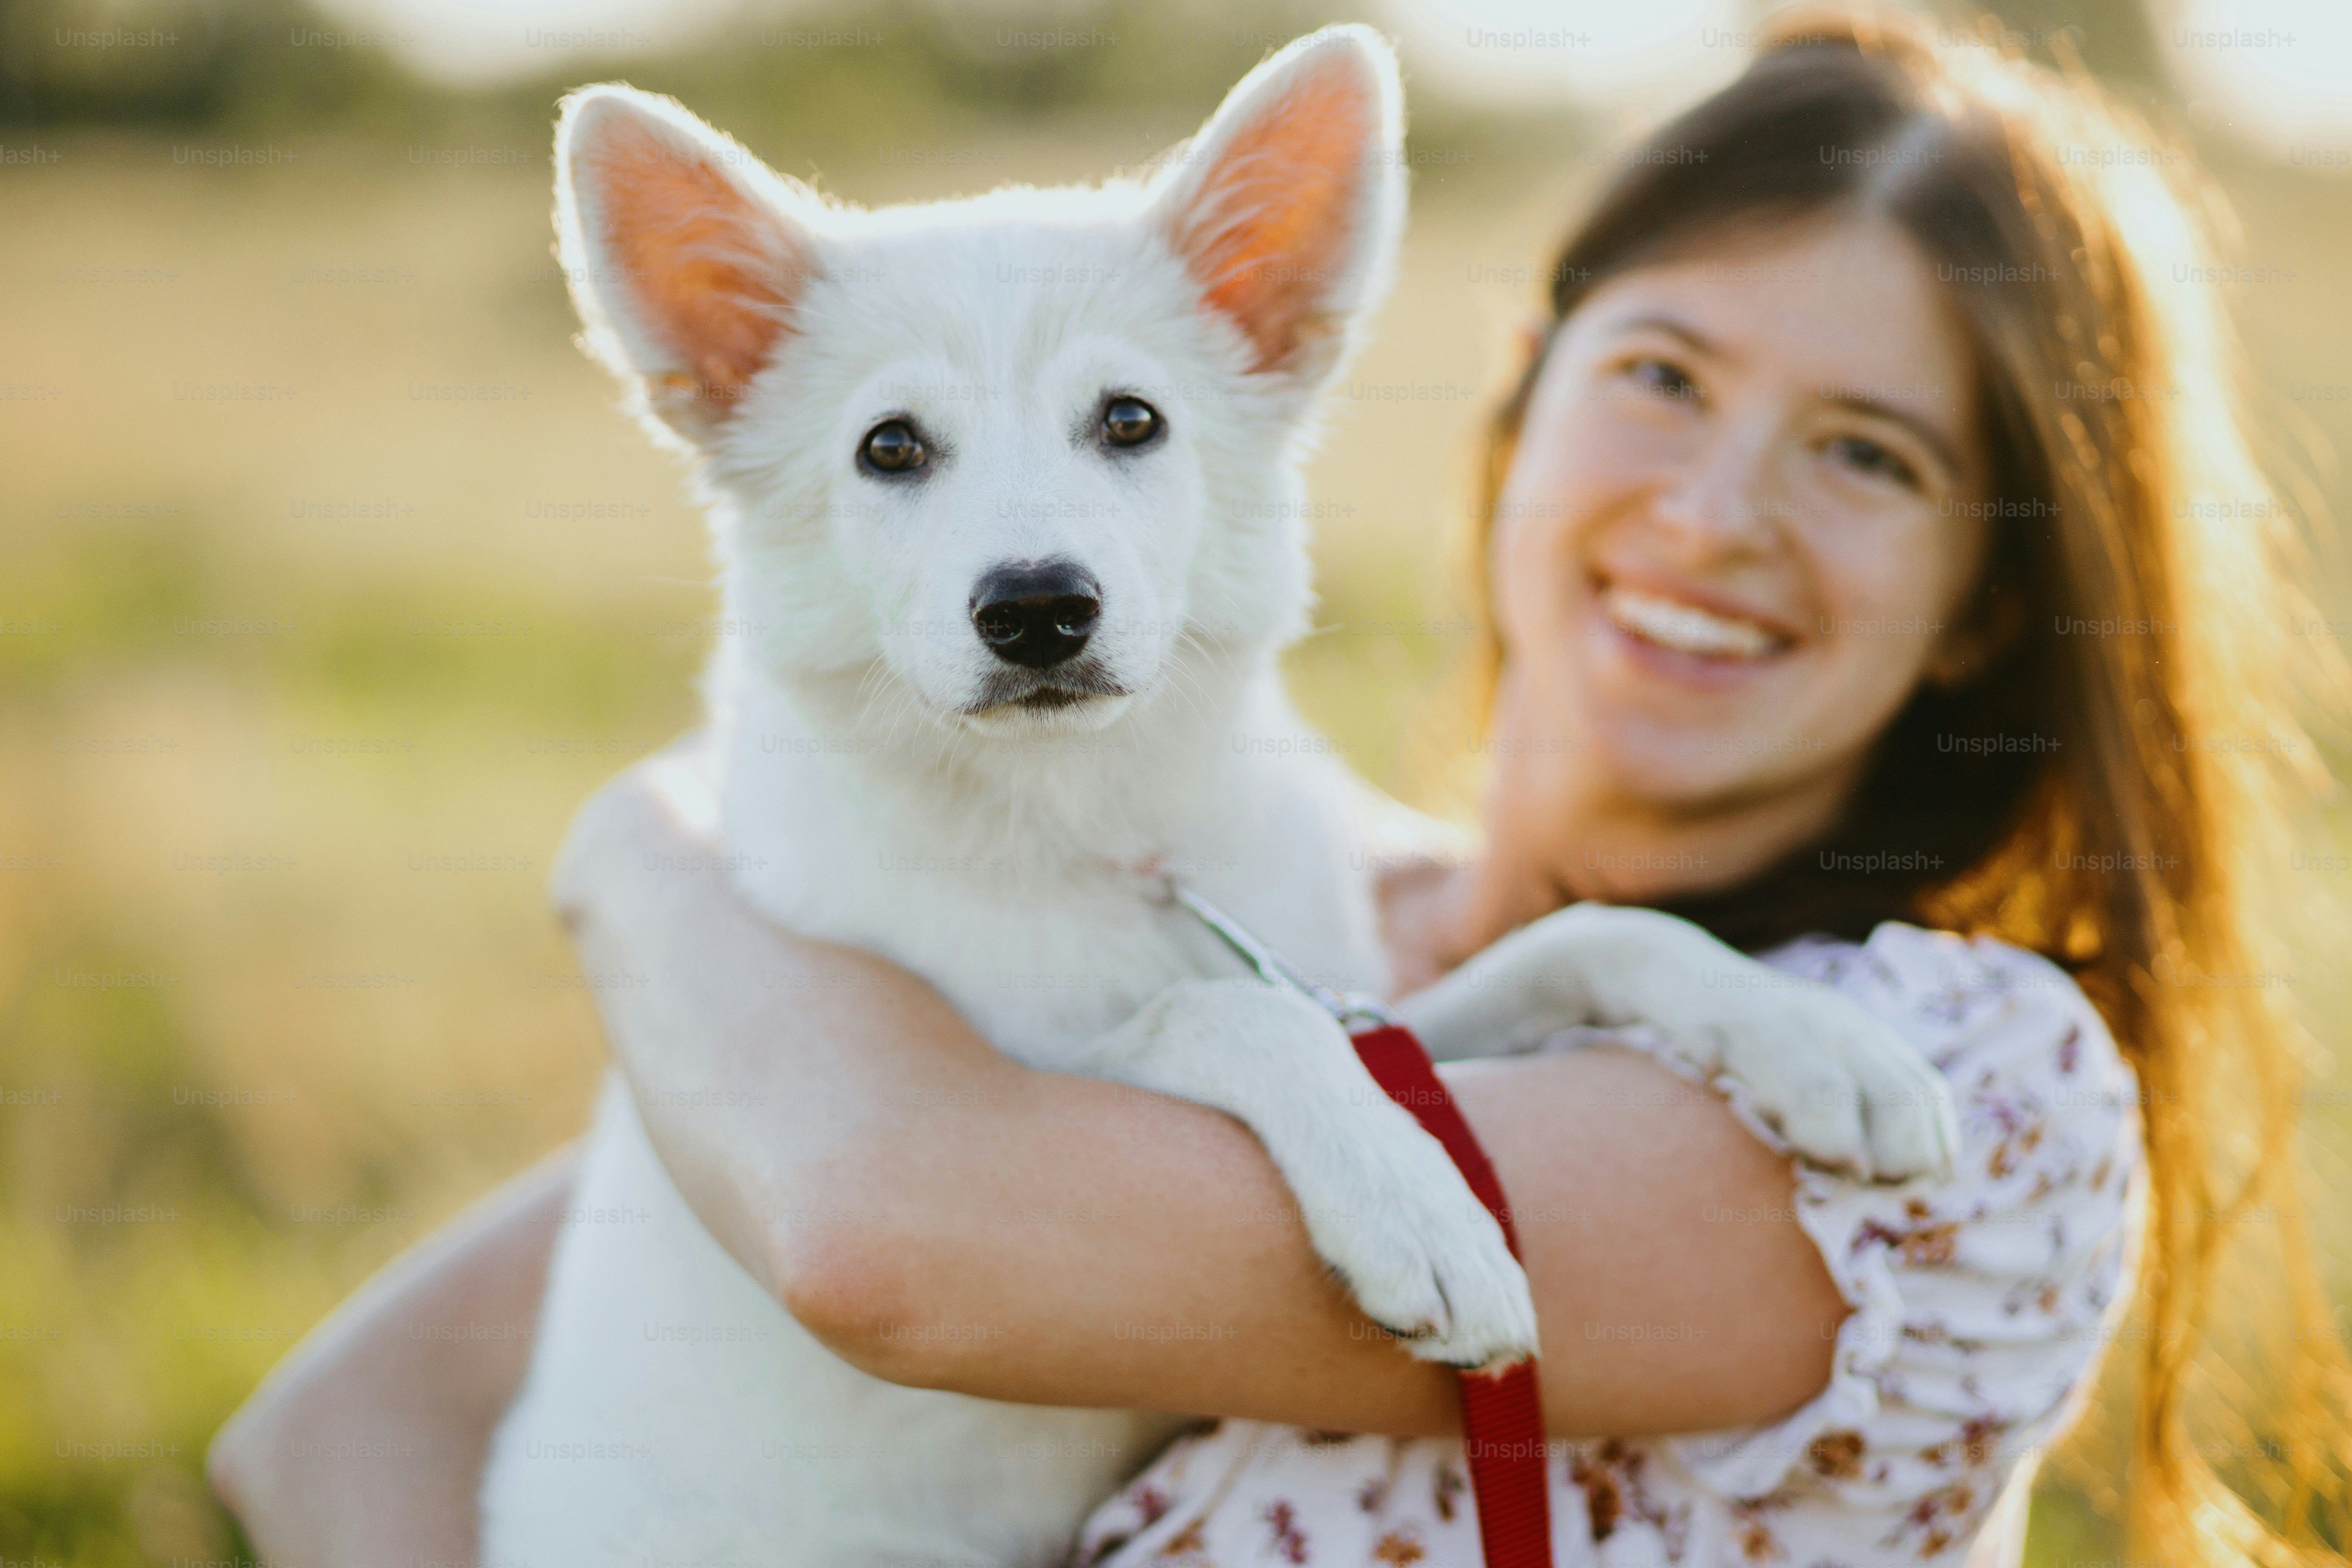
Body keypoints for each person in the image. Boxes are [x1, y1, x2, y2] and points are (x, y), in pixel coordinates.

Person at [208, 11, 2352, 1566]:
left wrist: (628, 866)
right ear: (1513, 417)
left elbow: (898, 1228)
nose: (1716, 512)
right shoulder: (1262, 895)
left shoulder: (1970, 1106)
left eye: (1867, 454)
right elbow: (326, 1428)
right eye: (1666, 379)